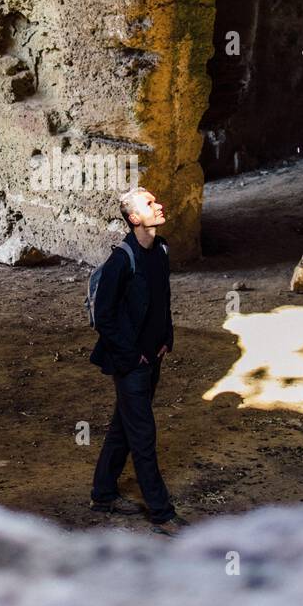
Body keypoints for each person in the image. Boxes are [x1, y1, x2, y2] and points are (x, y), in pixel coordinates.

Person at [88, 186, 190, 536]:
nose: (158, 205)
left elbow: (163, 301)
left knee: (124, 428)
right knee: (143, 435)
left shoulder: (160, 251)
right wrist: (133, 355)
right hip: (130, 362)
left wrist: (165, 341)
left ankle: (103, 494)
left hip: (152, 356)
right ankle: (161, 514)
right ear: (134, 219)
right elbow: (104, 317)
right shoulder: (122, 260)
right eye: (149, 203)